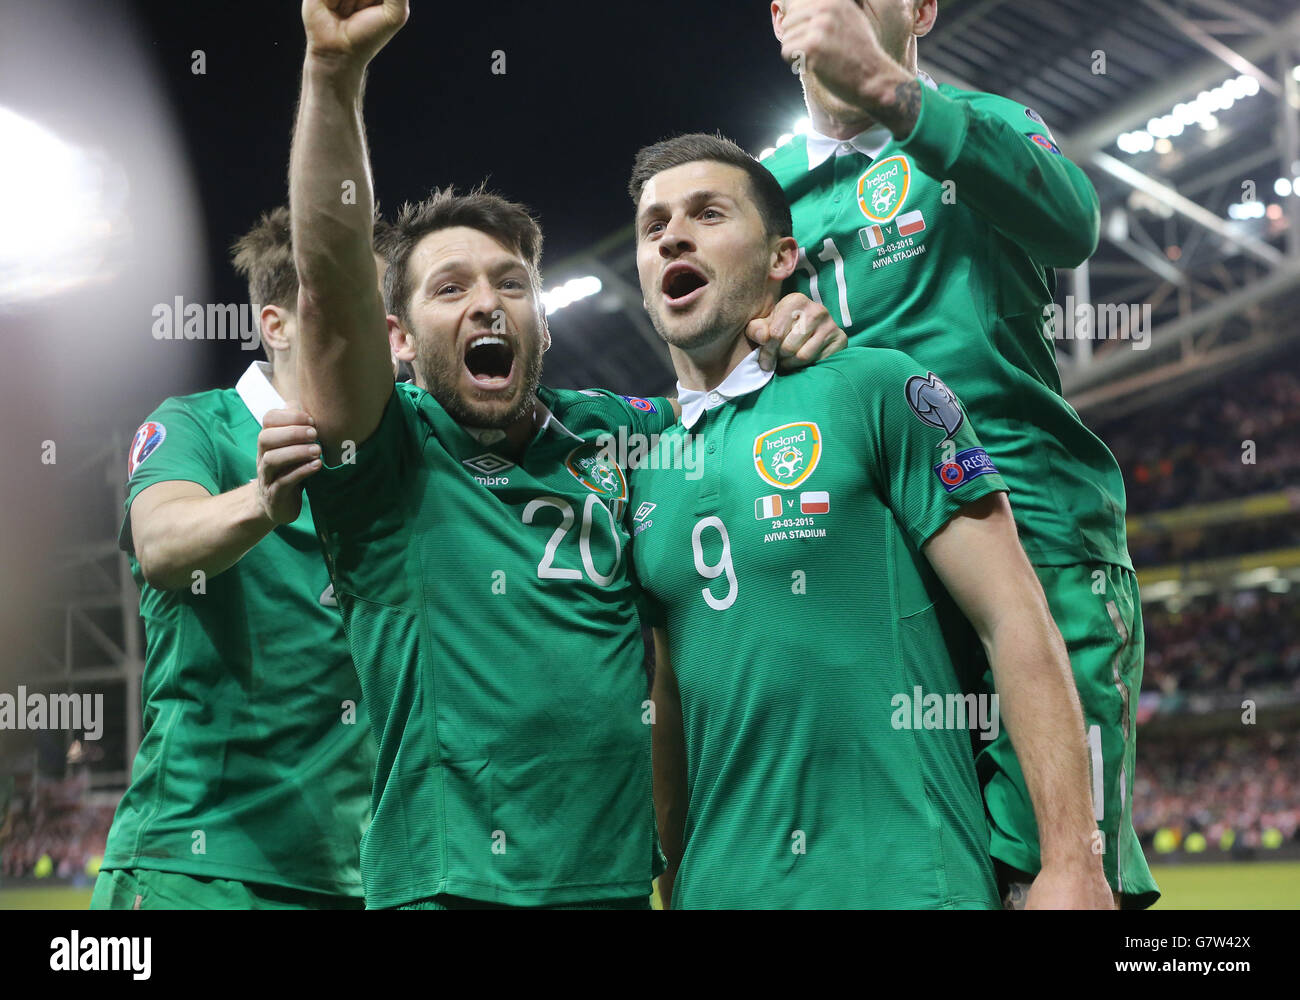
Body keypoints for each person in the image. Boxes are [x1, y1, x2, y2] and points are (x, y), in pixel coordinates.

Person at [281, 0, 842, 909]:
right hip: (451, 888)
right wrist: (333, 74)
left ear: (542, 318)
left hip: (618, 884)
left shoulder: (618, 431)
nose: (488, 304)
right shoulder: (387, 460)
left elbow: (733, 408)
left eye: (512, 284)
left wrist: (788, 322)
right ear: (395, 335)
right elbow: (330, 271)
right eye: (449, 288)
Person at [627, 132, 1112, 909]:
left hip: (906, 884)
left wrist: (1072, 861)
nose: (673, 235)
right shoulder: (640, 464)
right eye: (654, 228)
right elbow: (671, 704)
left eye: (708, 213)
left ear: (785, 257)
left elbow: (1014, 619)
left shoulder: (880, 387)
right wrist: (674, 880)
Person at [764, 0, 1158, 906]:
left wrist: (893, 95)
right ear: (782, 16)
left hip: (1032, 528)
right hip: (868, 569)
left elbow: (1071, 226)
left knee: (1060, 871)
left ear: (922, 10)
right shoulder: (763, 189)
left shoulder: (989, 124)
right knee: (924, 875)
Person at [91, 208, 385, 909]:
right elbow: (161, 544)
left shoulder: (388, 462)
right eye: (349, 304)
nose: (381, 332)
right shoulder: (196, 425)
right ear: (275, 324)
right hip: (195, 871)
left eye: (381, 308)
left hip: (358, 882)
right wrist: (262, 503)